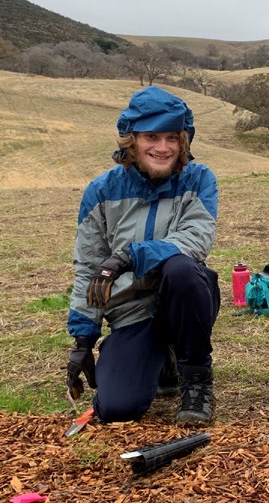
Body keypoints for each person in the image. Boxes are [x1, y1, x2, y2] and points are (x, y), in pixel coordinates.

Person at [65, 85, 220, 427]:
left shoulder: (200, 179)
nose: (162, 148)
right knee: (119, 407)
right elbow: (89, 266)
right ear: (131, 139)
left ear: (184, 141)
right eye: (151, 136)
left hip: (184, 297)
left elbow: (195, 239)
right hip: (131, 312)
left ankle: (196, 378)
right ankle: (160, 360)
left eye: (172, 138)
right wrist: (83, 338)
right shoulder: (101, 191)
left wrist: (129, 257)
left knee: (181, 269)